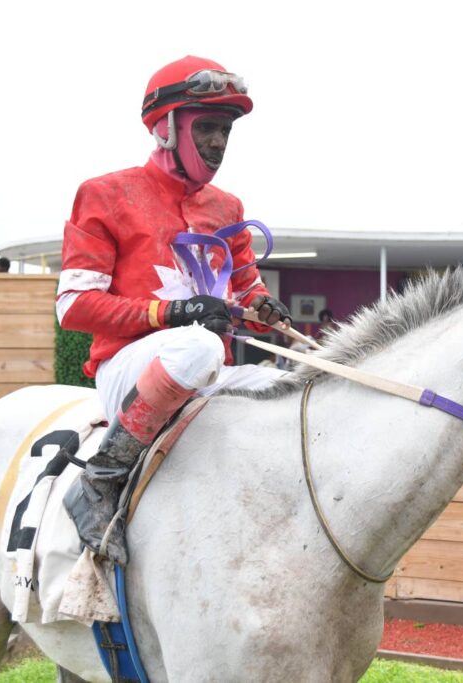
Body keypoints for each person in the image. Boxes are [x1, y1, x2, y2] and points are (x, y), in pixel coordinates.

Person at [56, 56, 291, 565]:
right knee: (199, 344)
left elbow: (244, 295)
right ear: (166, 128)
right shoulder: (104, 194)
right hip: (130, 373)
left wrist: (261, 309)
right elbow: (73, 307)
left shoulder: (227, 208)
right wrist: (173, 313)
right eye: (206, 127)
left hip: (205, 372)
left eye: (225, 130)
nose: (218, 142)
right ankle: (100, 480)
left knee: (290, 389)